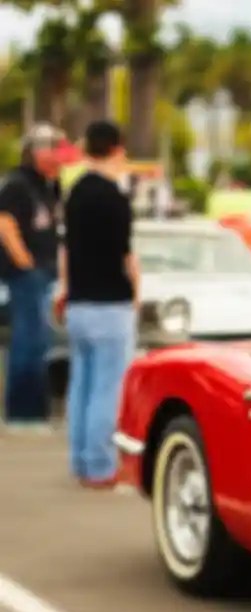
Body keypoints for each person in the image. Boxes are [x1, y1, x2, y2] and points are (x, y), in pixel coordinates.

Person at [57, 120, 138, 489]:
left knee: (82, 386)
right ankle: (102, 466)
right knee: (109, 388)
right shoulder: (115, 197)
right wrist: (136, 293)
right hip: (110, 305)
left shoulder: (73, 193)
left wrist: (65, 290)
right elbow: (126, 254)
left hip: (79, 303)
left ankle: (81, 460)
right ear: (117, 149)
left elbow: (66, 250)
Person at [0, 124, 72, 433]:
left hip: (45, 274)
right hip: (25, 276)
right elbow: (5, 223)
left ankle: (37, 413)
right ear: (35, 152)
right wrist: (25, 263)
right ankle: (22, 415)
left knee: (40, 343)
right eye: (52, 149)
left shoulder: (50, 186)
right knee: (27, 343)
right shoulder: (17, 184)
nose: (58, 157)